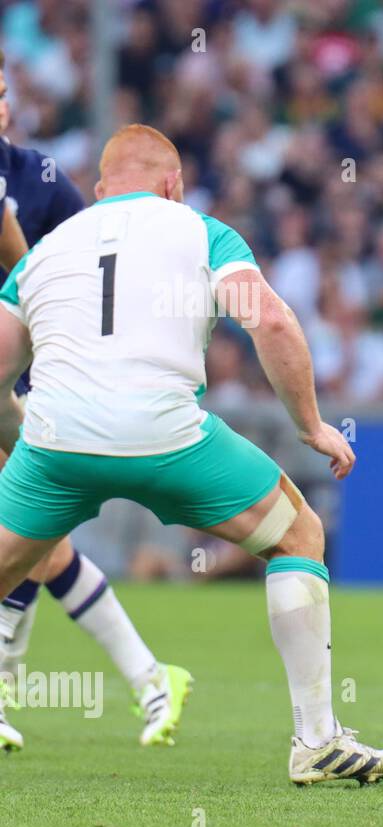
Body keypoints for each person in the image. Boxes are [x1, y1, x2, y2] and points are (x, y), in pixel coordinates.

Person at [0, 124, 383, 785]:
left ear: (101, 190)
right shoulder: (201, 230)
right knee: (300, 533)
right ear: (174, 184)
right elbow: (270, 321)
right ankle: (317, 743)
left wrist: (21, 436)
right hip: (167, 437)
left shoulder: (43, 251)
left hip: (56, 443)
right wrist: (310, 426)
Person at [0, 51, 186, 752]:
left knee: (25, 533)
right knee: (40, 548)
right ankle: (150, 678)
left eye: (2, 92)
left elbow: (104, 251)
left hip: (24, 378)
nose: (0, 106)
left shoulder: (40, 178)